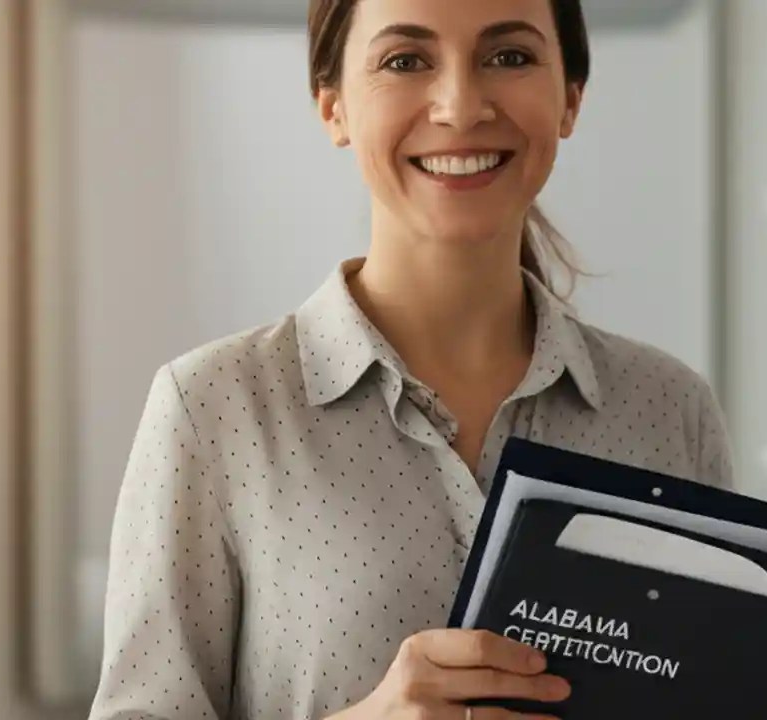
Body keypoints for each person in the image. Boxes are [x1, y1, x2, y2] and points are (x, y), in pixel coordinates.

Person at [88, 0, 734, 718]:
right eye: (405, 61)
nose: (460, 106)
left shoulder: (670, 412)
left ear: (571, 98)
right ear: (332, 105)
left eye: (509, 57)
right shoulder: (213, 409)